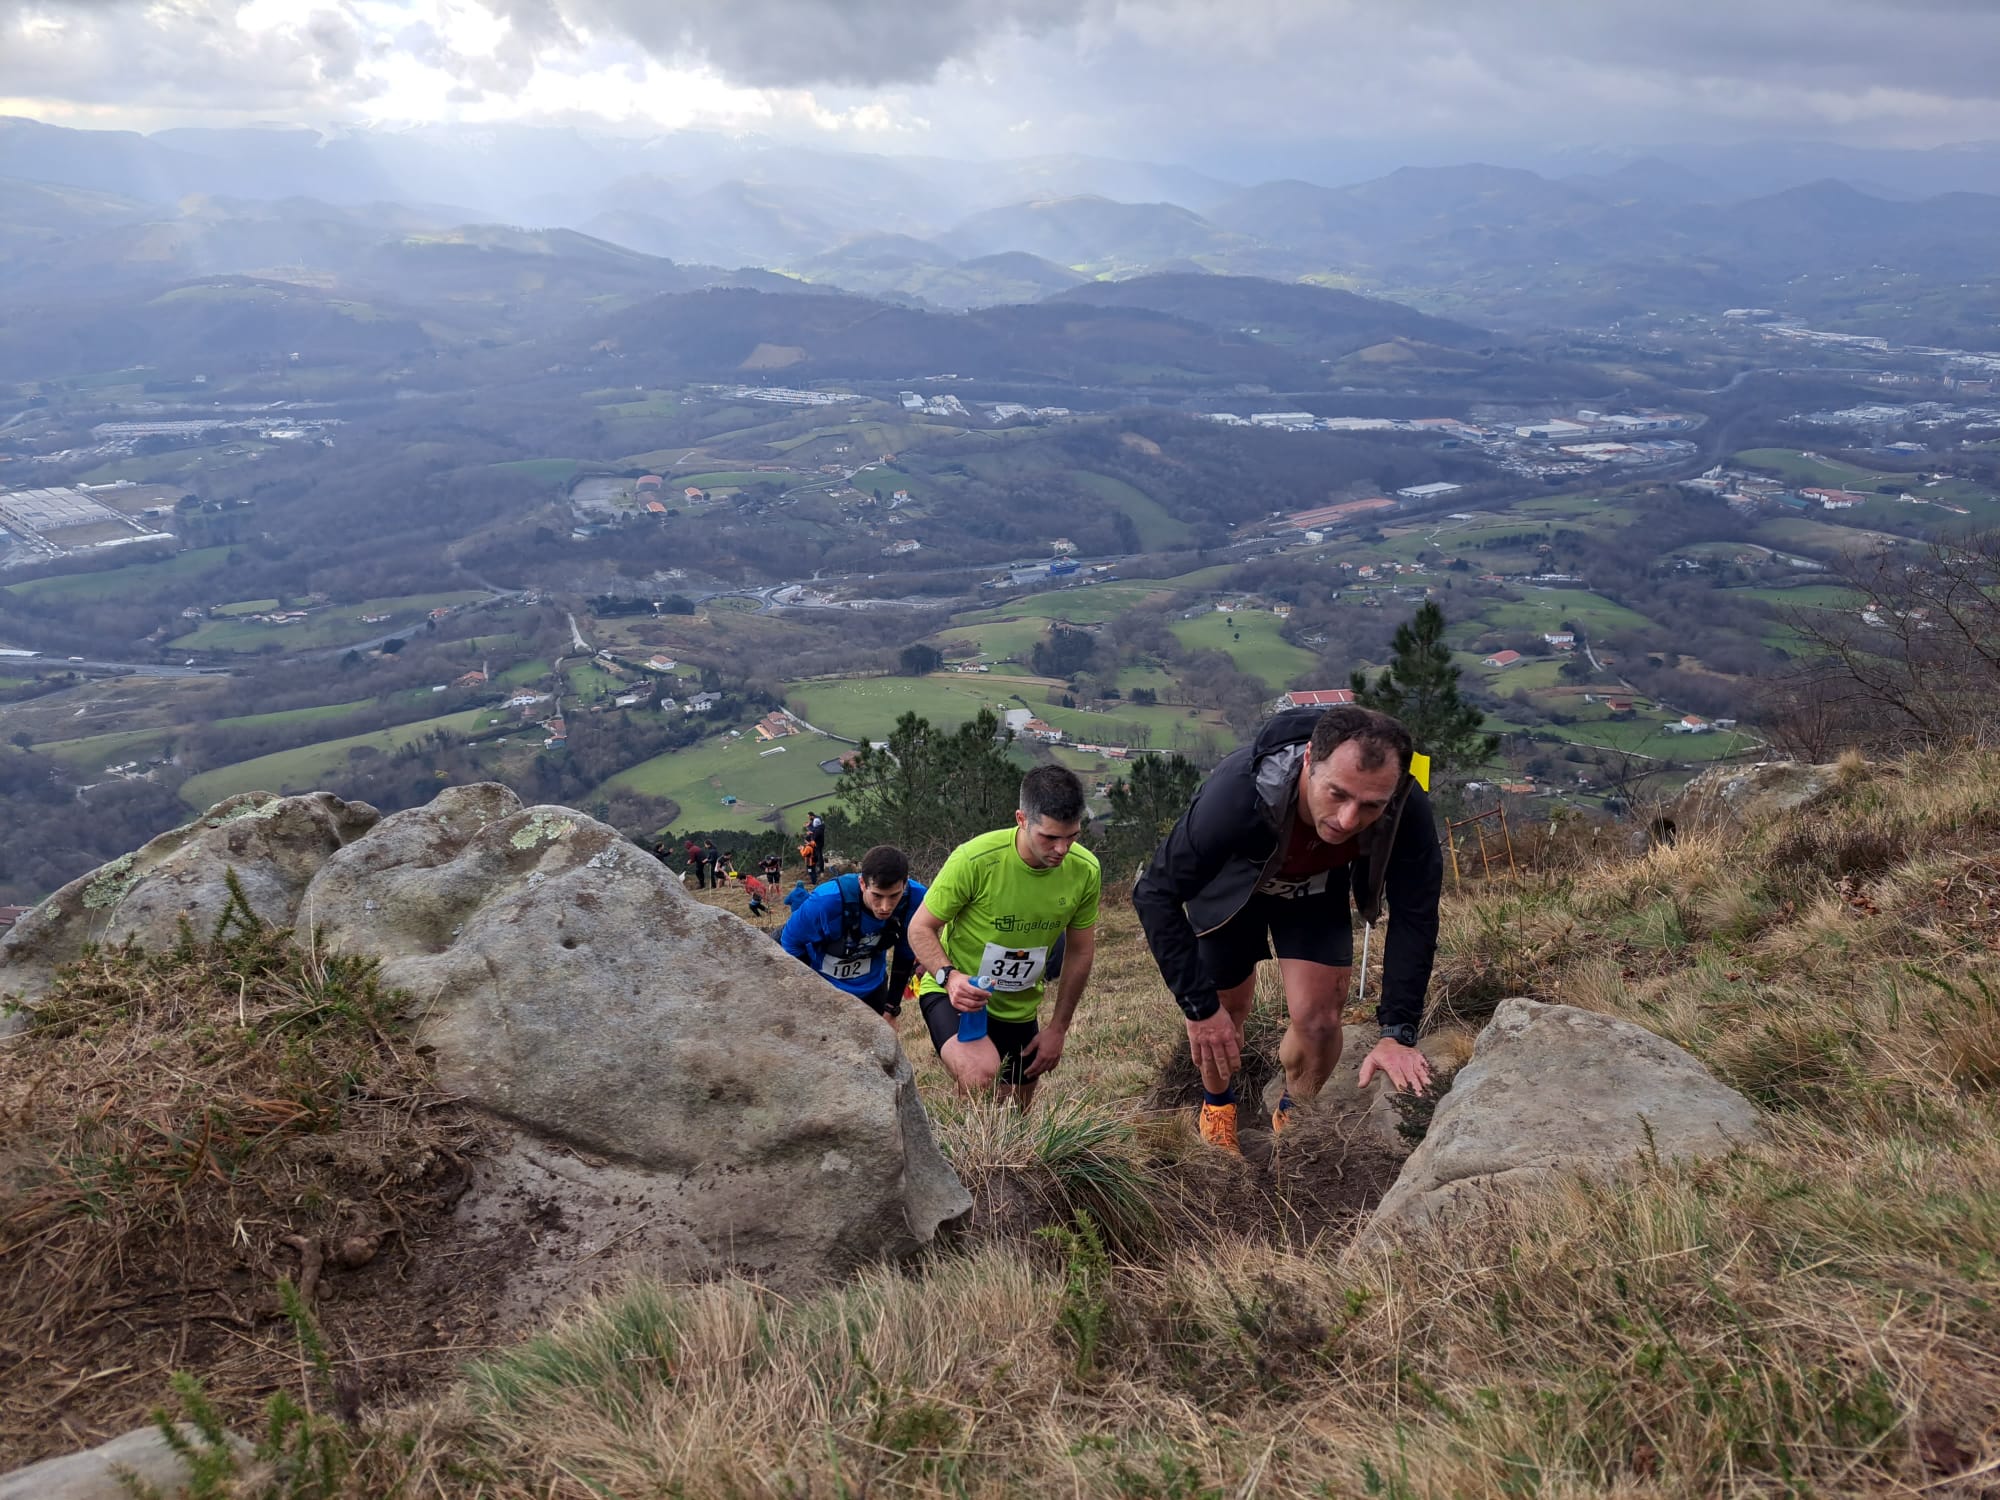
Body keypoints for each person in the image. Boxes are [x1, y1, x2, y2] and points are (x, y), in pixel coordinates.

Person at [1132, 704, 1441, 1154]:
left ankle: (1294, 1119)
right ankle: (1217, 1106)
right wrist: (1198, 1009)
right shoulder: (1237, 796)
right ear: (1310, 758)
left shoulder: (1404, 804)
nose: (1348, 819)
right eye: (1337, 794)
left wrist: (1398, 1030)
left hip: (1314, 892)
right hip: (1231, 888)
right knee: (1225, 1013)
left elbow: (1416, 912)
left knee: (1319, 1021)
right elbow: (1154, 894)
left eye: (1371, 805)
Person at [907, 766, 1101, 1106]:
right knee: (982, 1076)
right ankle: (966, 1156)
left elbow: (1080, 952)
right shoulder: (974, 860)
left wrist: (1058, 1028)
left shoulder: (1085, 871)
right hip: (956, 994)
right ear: (1022, 819)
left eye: (1072, 836)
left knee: (1018, 1110)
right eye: (1050, 837)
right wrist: (949, 977)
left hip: (1020, 1006)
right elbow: (919, 928)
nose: (1062, 849)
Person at [779, 845, 926, 1019]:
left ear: (905, 883)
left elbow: (905, 953)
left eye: (894, 895)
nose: (885, 907)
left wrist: (891, 1008)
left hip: (872, 986)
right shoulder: (826, 902)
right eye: (877, 896)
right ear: (862, 883)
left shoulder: (915, 900)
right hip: (823, 987)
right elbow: (790, 942)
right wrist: (807, 992)